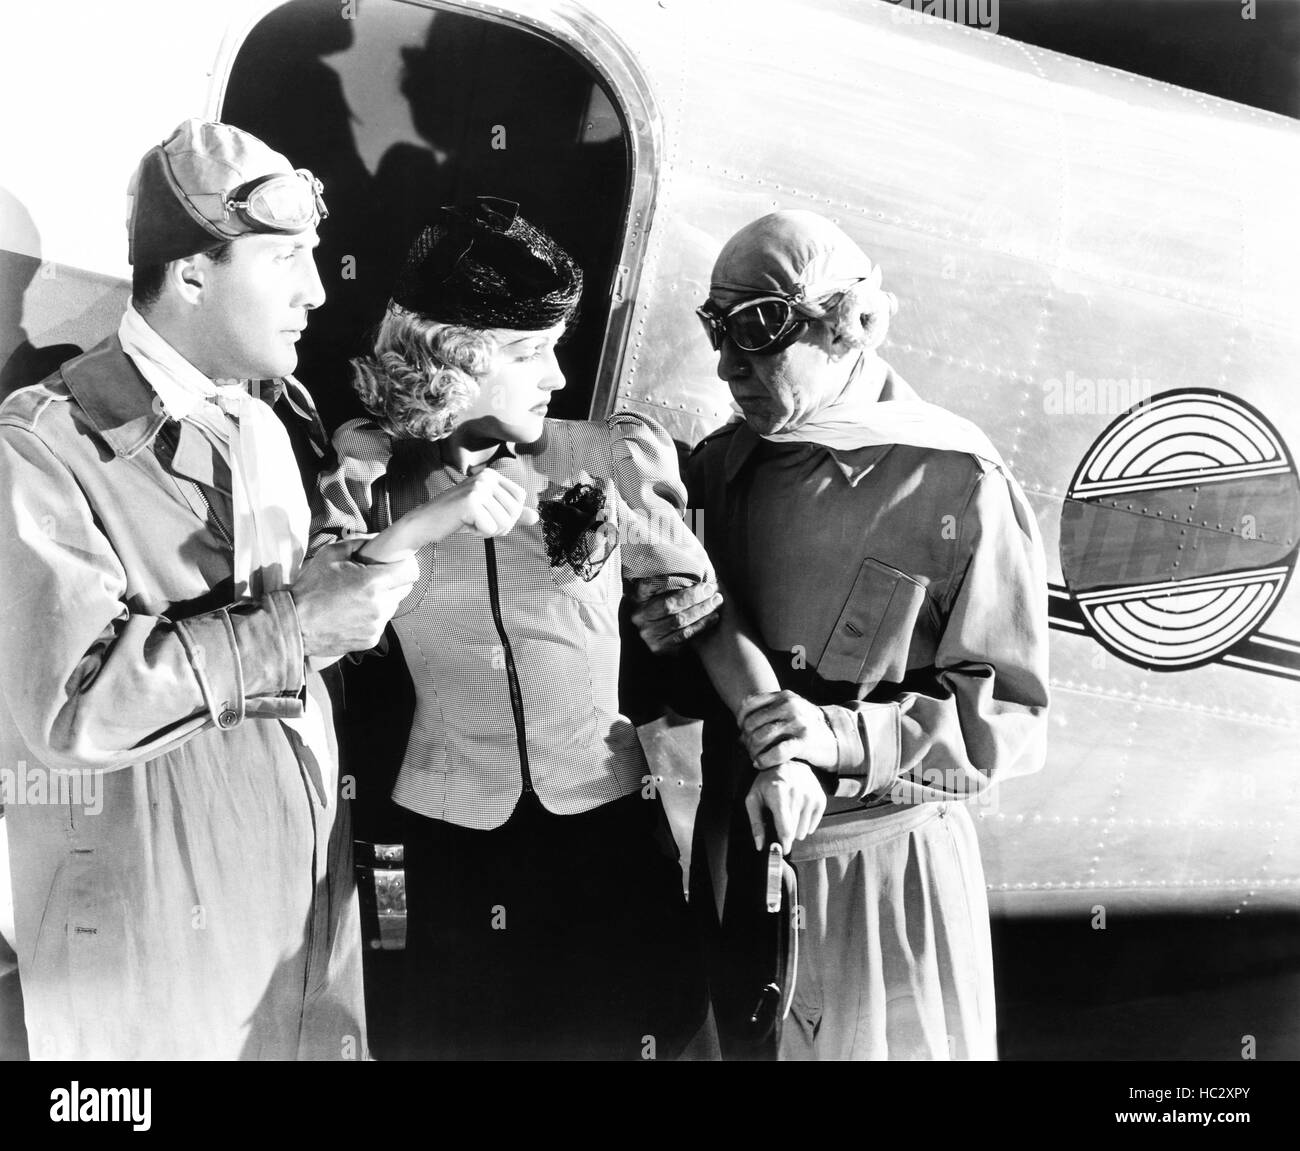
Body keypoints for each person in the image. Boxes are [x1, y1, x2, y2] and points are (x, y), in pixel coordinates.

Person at [313, 197, 779, 1060]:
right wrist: (430, 519)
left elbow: (703, 612)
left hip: (606, 838)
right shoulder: (368, 480)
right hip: (441, 846)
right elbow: (322, 623)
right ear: (453, 358)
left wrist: (779, 737)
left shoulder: (609, 456)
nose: (558, 376)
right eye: (530, 351)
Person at [0, 119, 417, 1059]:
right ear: (192, 274)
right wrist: (299, 623)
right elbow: (74, 710)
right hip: (161, 984)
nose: (317, 293)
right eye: (287, 262)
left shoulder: (276, 417)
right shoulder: (41, 447)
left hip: (299, 948)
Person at [632, 209, 1051, 1060]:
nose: (728, 369)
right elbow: (689, 688)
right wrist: (665, 643)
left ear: (850, 327)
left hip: (885, 882)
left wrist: (840, 735)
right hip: (746, 873)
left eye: (758, 340)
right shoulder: (720, 468)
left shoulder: (956, 479)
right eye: (718, 336)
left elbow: (1006, 723)